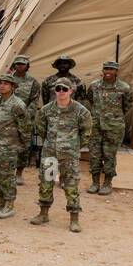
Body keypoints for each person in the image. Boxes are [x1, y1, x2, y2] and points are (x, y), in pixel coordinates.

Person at [31, 77, 94, 232]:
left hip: (69, 155)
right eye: (58, 89)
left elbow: (87, 132)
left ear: (71, 91)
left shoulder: (81, 111)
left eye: (64, 89)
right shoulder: (46, 110)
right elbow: (40, 128)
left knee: (71, 185)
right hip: (50, 154)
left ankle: (74, 218)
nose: (61, 92)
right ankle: (43, 213)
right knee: (46, 182)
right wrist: (51, 144)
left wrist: (74, 146)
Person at [0, 74, 30, 219]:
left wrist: (23, 145)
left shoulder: (18, 104)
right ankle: (1, 200)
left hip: (9, 147)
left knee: (7, 176)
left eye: (6, 83)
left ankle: (9, 204)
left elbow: (25, 127)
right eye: (0, 83)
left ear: (12, 87)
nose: (2, 86)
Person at [86, 60, 133, 195]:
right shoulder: (94, 86)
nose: (108, 72)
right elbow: (91, 100)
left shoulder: (124, 88)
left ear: (117, 72)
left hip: (114, 128)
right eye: (106, 69)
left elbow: (127, 105)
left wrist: (114, 117)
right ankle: (95, 182)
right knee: (94, 154)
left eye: (111, 69)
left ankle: (107, 183)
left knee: (109, 155)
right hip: (96, 126)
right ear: (103, 70)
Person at [8, 54, 42, 183]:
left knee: (23, 146)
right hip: (9, 119)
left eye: (22, 64)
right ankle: (8, 172)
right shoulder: (8, 79)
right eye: (18, 64)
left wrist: (26, 116)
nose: (20, 66)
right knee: (8, 146)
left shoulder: (33, 82)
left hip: (25, 119)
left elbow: (34, 101)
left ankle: (19, 173)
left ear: (27, 66)